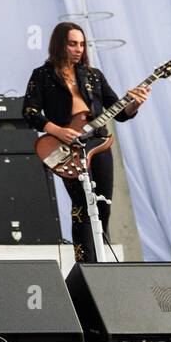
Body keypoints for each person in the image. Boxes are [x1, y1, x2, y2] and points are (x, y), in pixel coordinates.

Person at [22, 21, 148, 262]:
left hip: (99, 144)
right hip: (68, 147)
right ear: (59, 44)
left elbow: (119, 112)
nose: (78, 49)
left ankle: (102, 261)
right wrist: (57, 131)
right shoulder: (42, 75)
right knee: (82, 204)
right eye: (72, 44)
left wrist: (134, 104)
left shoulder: (93, 76)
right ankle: (86, 264)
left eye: (81, 44)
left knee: (103, 204)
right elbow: (29, 112)